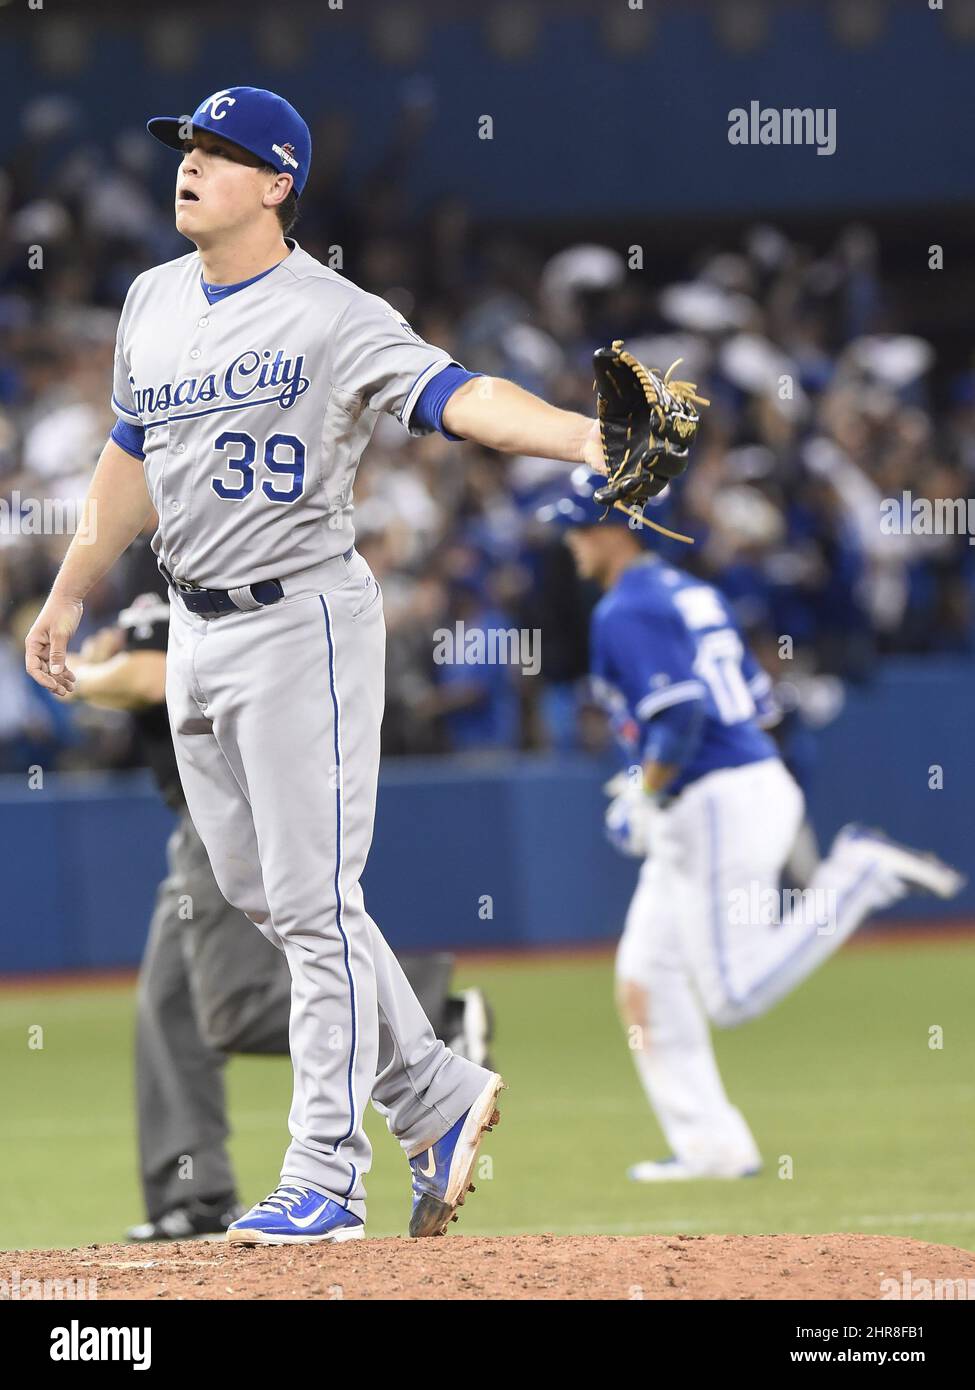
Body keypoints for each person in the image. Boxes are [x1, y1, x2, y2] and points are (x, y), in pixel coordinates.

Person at [25, 86, 606, 1243]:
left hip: (302, 622)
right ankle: (435, 1093)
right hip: (194, 626)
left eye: (219, 151)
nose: (189, 164)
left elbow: (460, 395)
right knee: (271, 900)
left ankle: (324, 1178)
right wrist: (68, 591)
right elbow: (126, 464)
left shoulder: (331, 312)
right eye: (186, 146)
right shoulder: (150, 300)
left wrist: (585, 434)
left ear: (278, 181)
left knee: (315, 902)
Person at [63, 528, 494, 1242]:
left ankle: (428, 1035)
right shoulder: (164, 580)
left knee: (238, 996)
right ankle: (195, 1193)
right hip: (198, 817)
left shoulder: (223, 561)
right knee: (168, 1006)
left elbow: (145, 679)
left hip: (234, 805)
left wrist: (77, 671)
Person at [541, 468, 963, 1182]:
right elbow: (752, 703)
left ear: (619, 527)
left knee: (730, 994)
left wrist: (645, 791)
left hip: (712, 800)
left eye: (581, 524)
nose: (571, 538)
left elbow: (677, 716)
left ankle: (856, 875)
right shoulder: (690, 590)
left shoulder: (625, 608)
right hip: (727, 786)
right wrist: (652, 783)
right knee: (645, 979)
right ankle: (711, 1147)